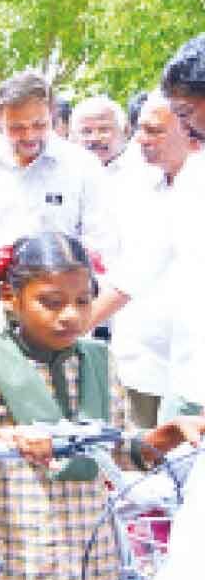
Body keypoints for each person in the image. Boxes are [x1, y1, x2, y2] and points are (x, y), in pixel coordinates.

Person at [0, 233, 205, 580]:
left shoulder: (98, 360)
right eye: (51, 302)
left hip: (90, 558)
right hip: (18, 557)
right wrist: (2, 442)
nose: (71, 315)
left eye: (83, 301)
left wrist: (170, 432)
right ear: (9, 298)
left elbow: (118, 448)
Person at [0, 70, 115, 336]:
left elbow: (101, 242)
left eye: (39, 125)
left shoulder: (82, 167)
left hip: (66, 315)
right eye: (17, 127)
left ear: (52, 115)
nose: (29, 135)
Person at [92, 92, 200, 426]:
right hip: (142, 354)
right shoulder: (130, 184)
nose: (141, 139)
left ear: (190, 128)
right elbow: (128, 265)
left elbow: (139, 268)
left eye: (155, 131)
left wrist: (79, 323)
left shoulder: (195, 183)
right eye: (140, 129)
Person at [71, 95, 139, 174]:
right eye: (86, 131)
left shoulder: (141, 170)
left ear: (126, 131)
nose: (95, 138)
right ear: (73, 136)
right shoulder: (66, 171)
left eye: (104, 130)